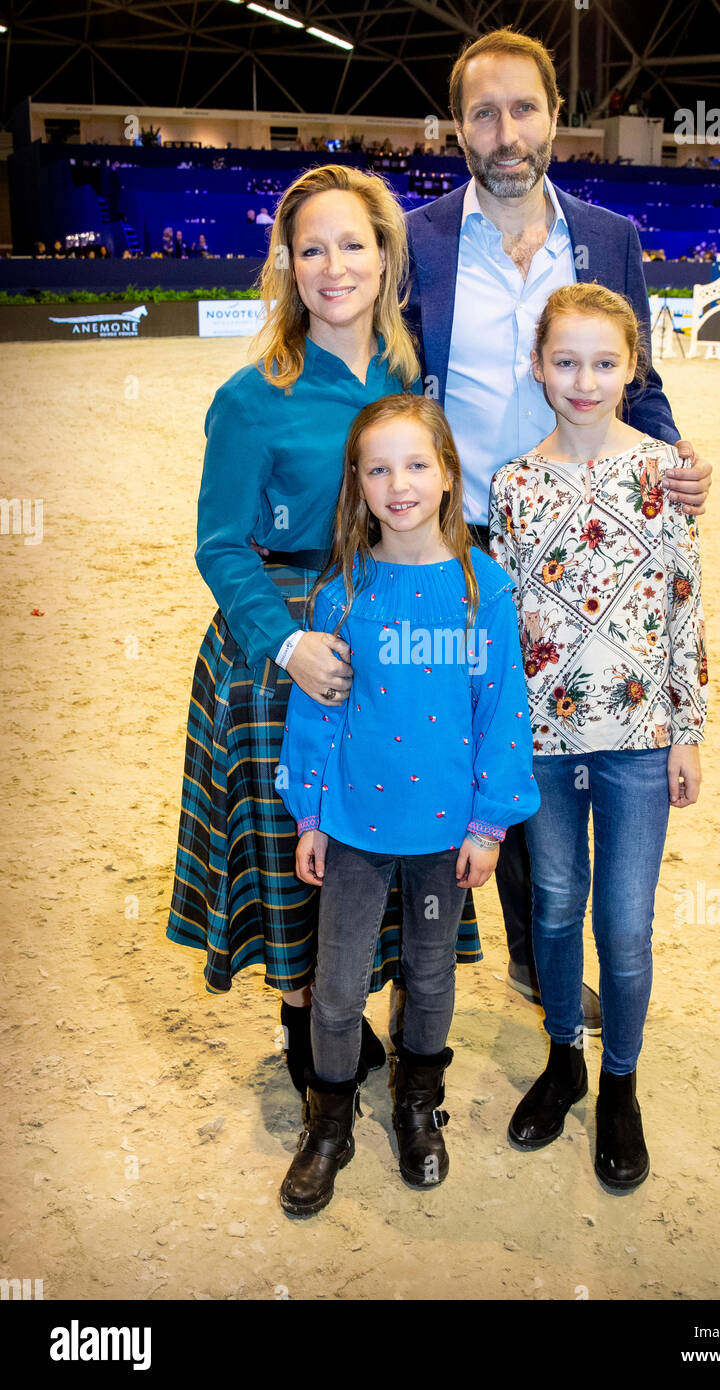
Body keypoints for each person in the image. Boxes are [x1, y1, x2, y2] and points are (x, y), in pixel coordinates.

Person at [403, 26, 712, 1017]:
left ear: (553, 118)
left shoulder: (610, 240)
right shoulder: (417, 240)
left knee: (552, 755)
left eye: (522, 107)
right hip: (457, 545)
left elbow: (642, 389)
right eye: (482, 111)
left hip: (580, 546)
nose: (504, 130)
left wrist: (673, 463)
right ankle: (450, 961)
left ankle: (538, 962)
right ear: (457, 126)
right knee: (464, 749)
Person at [166, 165, 481, 1096]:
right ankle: (305, 1023)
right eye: (311, 248)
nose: (333, 266)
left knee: (384, 831)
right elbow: (220, 547)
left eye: (353, 244)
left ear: (387, 257)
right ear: (287, 265)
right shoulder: (251, 396)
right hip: (282, 645)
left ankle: (356, 1005)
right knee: (300, 850)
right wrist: (288, 644)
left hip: (388, 624)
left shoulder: (409, 373)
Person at [276, 394, 540, 1216]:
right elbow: (317, 714)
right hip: (354, 829)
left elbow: (503, 713)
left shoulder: (483, 591)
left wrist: (489, 825)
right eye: (379, 467)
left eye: (417, 464)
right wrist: (311, 817)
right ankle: (328, 1122)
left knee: (430, 977)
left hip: (441, 837)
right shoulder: (342, 591)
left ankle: (418, 1103)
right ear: (356, 482)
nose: (400, 483)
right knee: (341, 982)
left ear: (450, 475)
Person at [489, 281, 707, 1191]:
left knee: (623, 925)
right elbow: (501, 628)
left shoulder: (665, 474)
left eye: (605, 363)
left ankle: (620, 1083)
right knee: (549, 907)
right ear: (538, 369)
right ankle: (564, 1059)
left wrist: (688, 730)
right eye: (566, 362)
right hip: (543, 741)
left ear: (632, 370)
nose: (585, 380)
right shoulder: (512, 485)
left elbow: (685, 605)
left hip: (639, 742)